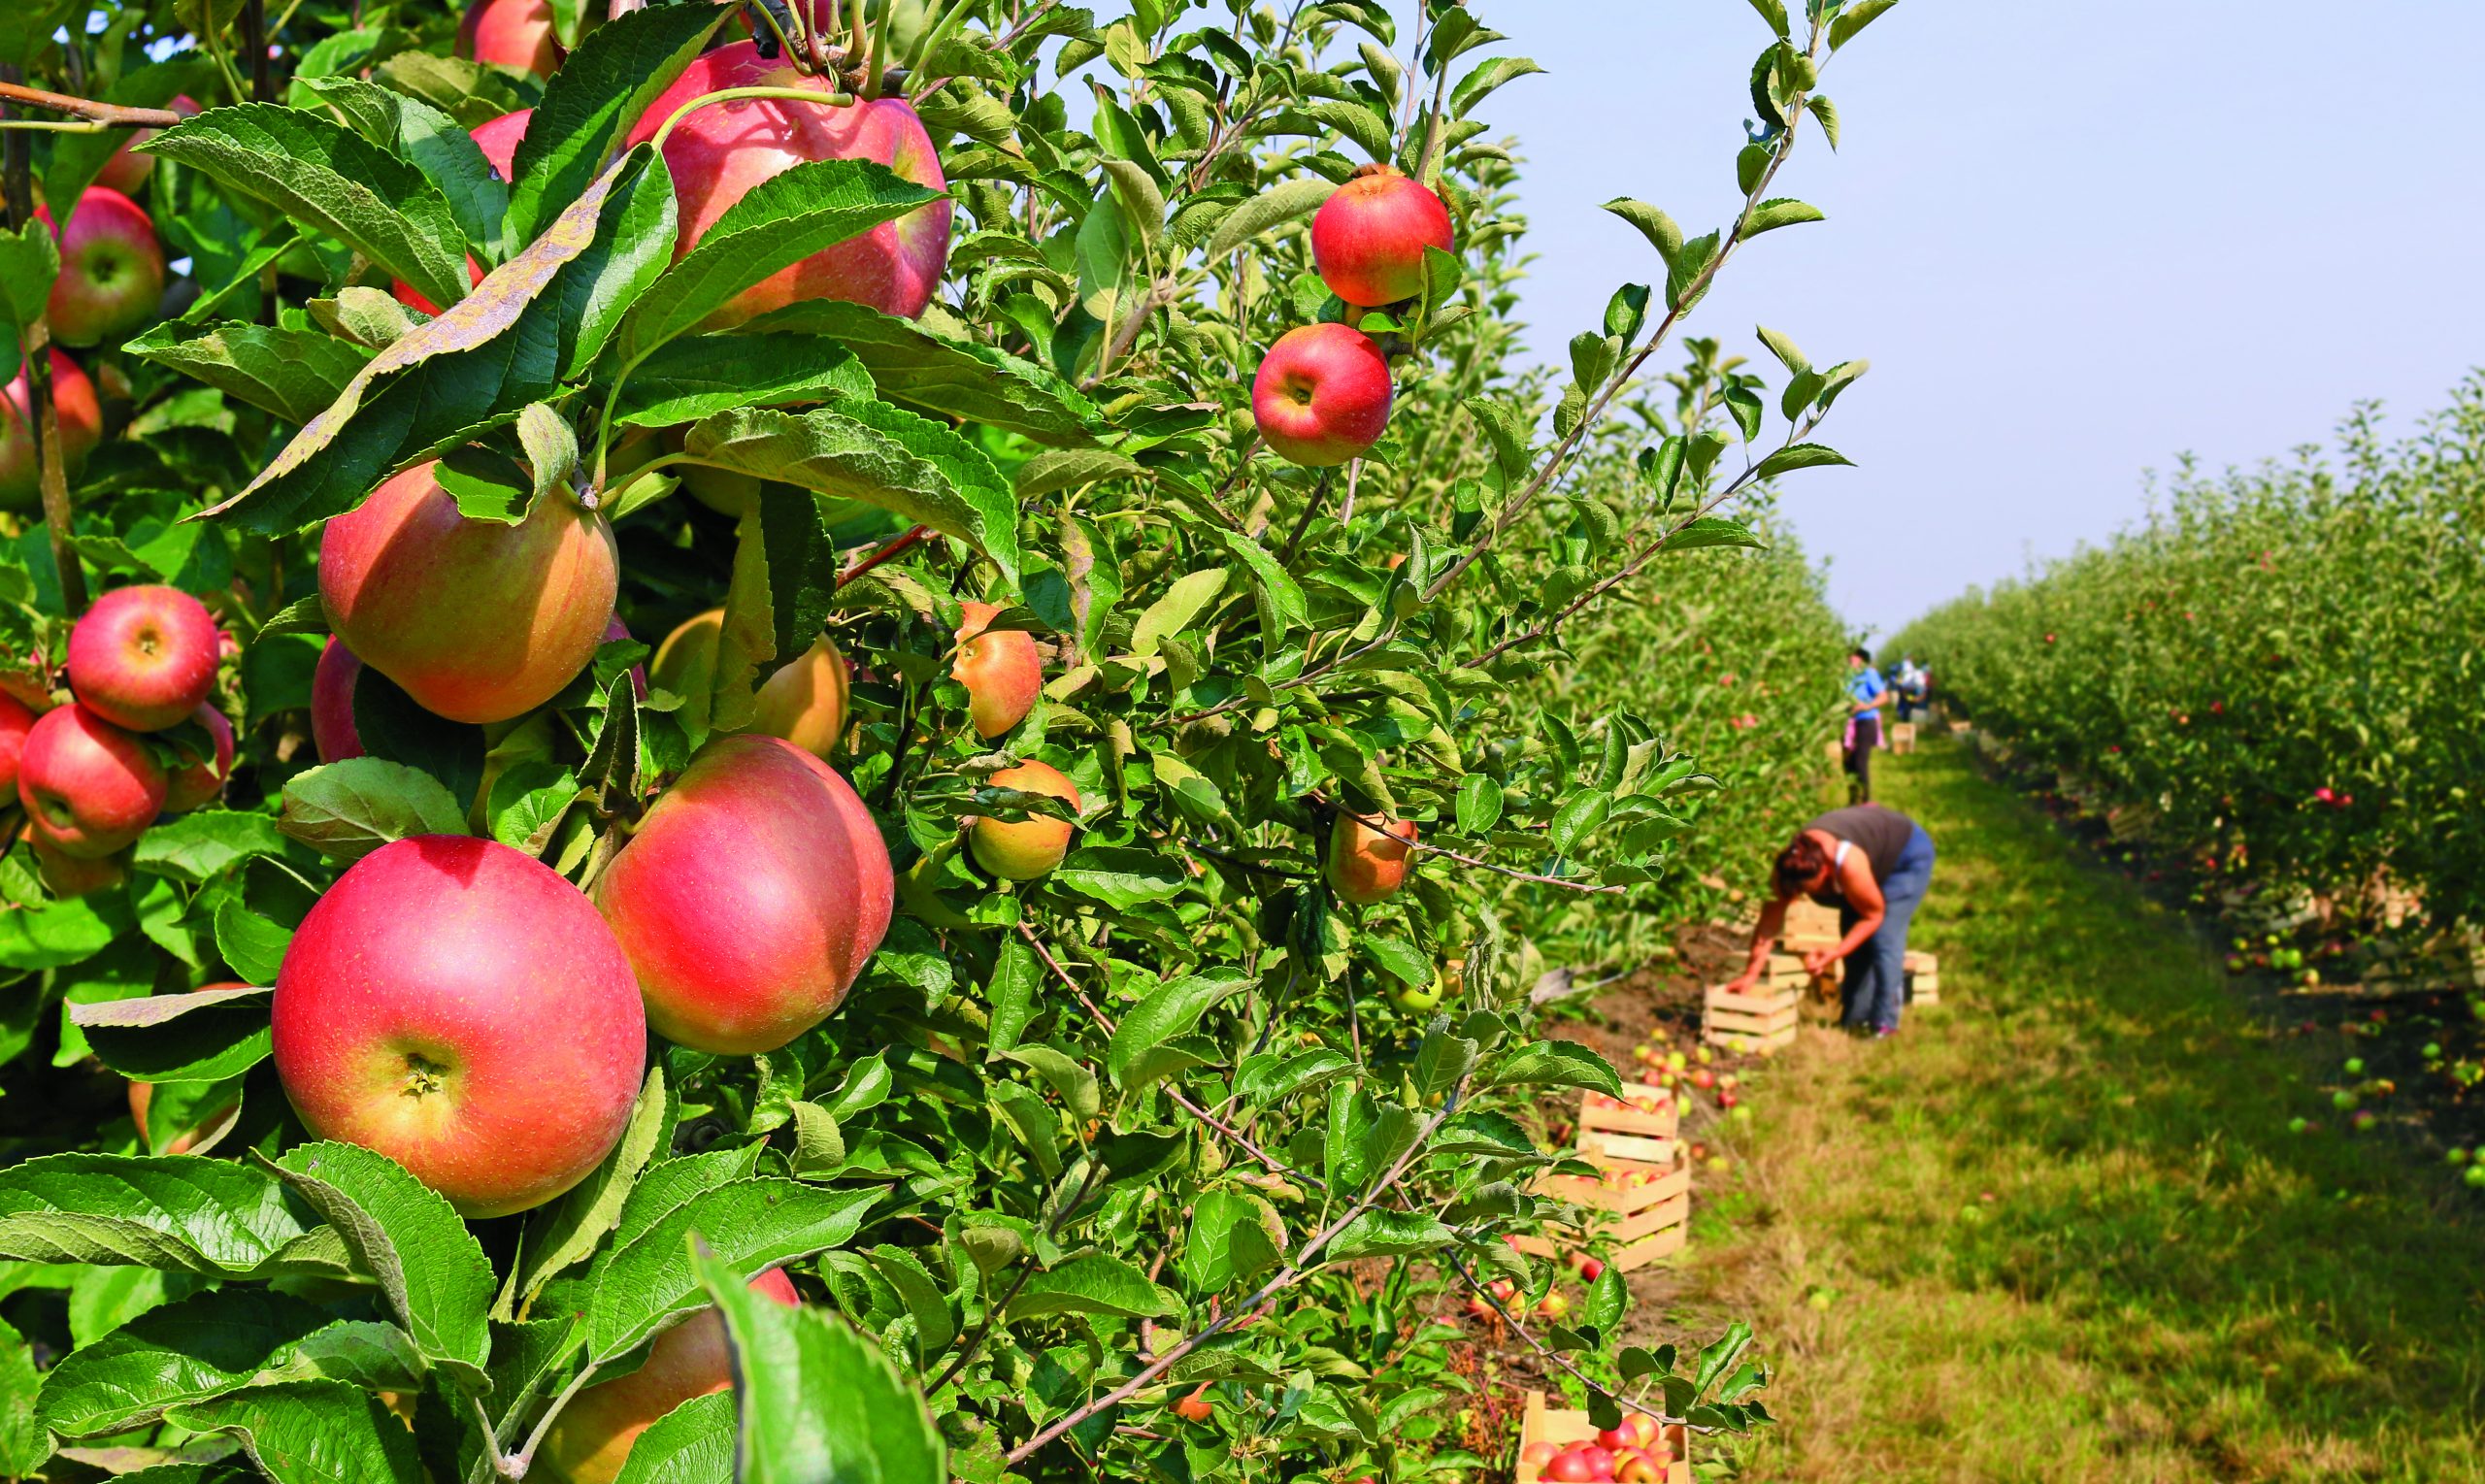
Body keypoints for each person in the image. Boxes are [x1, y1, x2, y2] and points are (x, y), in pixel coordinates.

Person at [1725, 803, 1937, 1036]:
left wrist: (1835, 952)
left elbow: (1873, 916)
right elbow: (1768, 926)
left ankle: (1884, 1023)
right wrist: (1751, 975)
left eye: (1811, 890)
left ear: (1826, 870)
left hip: (1905, 855)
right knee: (1852, 937)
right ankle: (1854, 1021)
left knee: (1884, 937)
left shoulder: (1849, 863)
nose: (1804, 897)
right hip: (1870, 854)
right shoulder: (1788, 867)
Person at [1841, 646, 1888, 801]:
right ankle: (1853, 798)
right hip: (1848, 722)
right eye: (1849, 656)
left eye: (1854, 656)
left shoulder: (1869, 674)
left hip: (1866, 721)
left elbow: (1883, 697)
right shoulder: (1846, 676)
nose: (1851, 659)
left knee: (1860, 762)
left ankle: (1864, 799)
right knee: (1848, 763)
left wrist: (1867, 706)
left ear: (1862, 659)